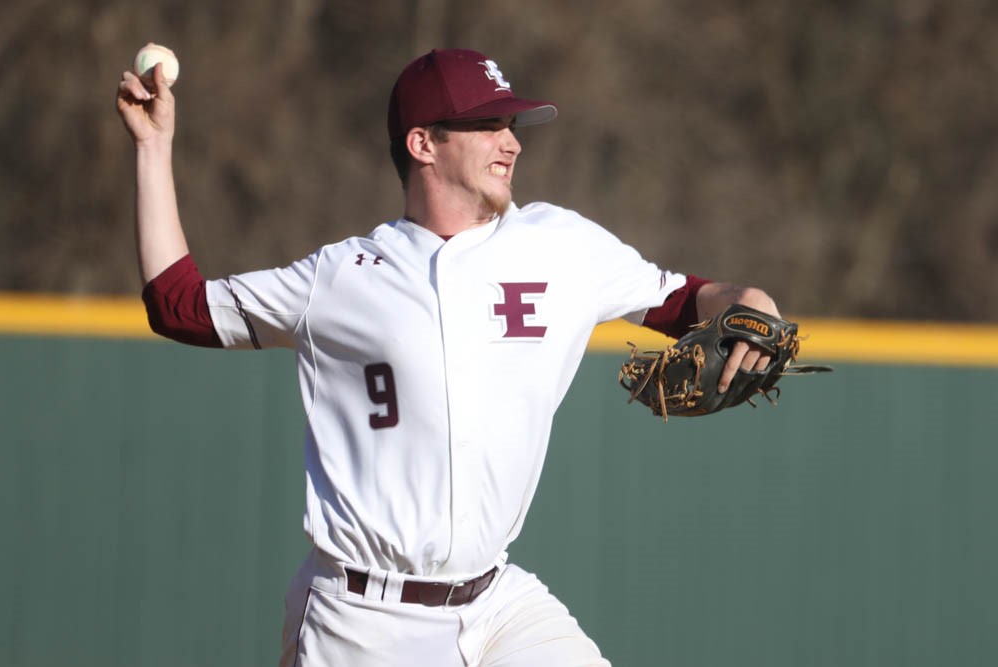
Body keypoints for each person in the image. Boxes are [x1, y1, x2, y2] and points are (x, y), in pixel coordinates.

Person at [117, 47, 780, 667]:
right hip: (360, 615)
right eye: (487, 124)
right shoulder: (342, 276)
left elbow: (690, 300)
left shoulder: (562, 246)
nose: (512, 141)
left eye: (511, 123)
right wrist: (154, 148)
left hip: (496, 601)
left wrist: (752, 301)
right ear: (423, 142)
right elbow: (179, 306)